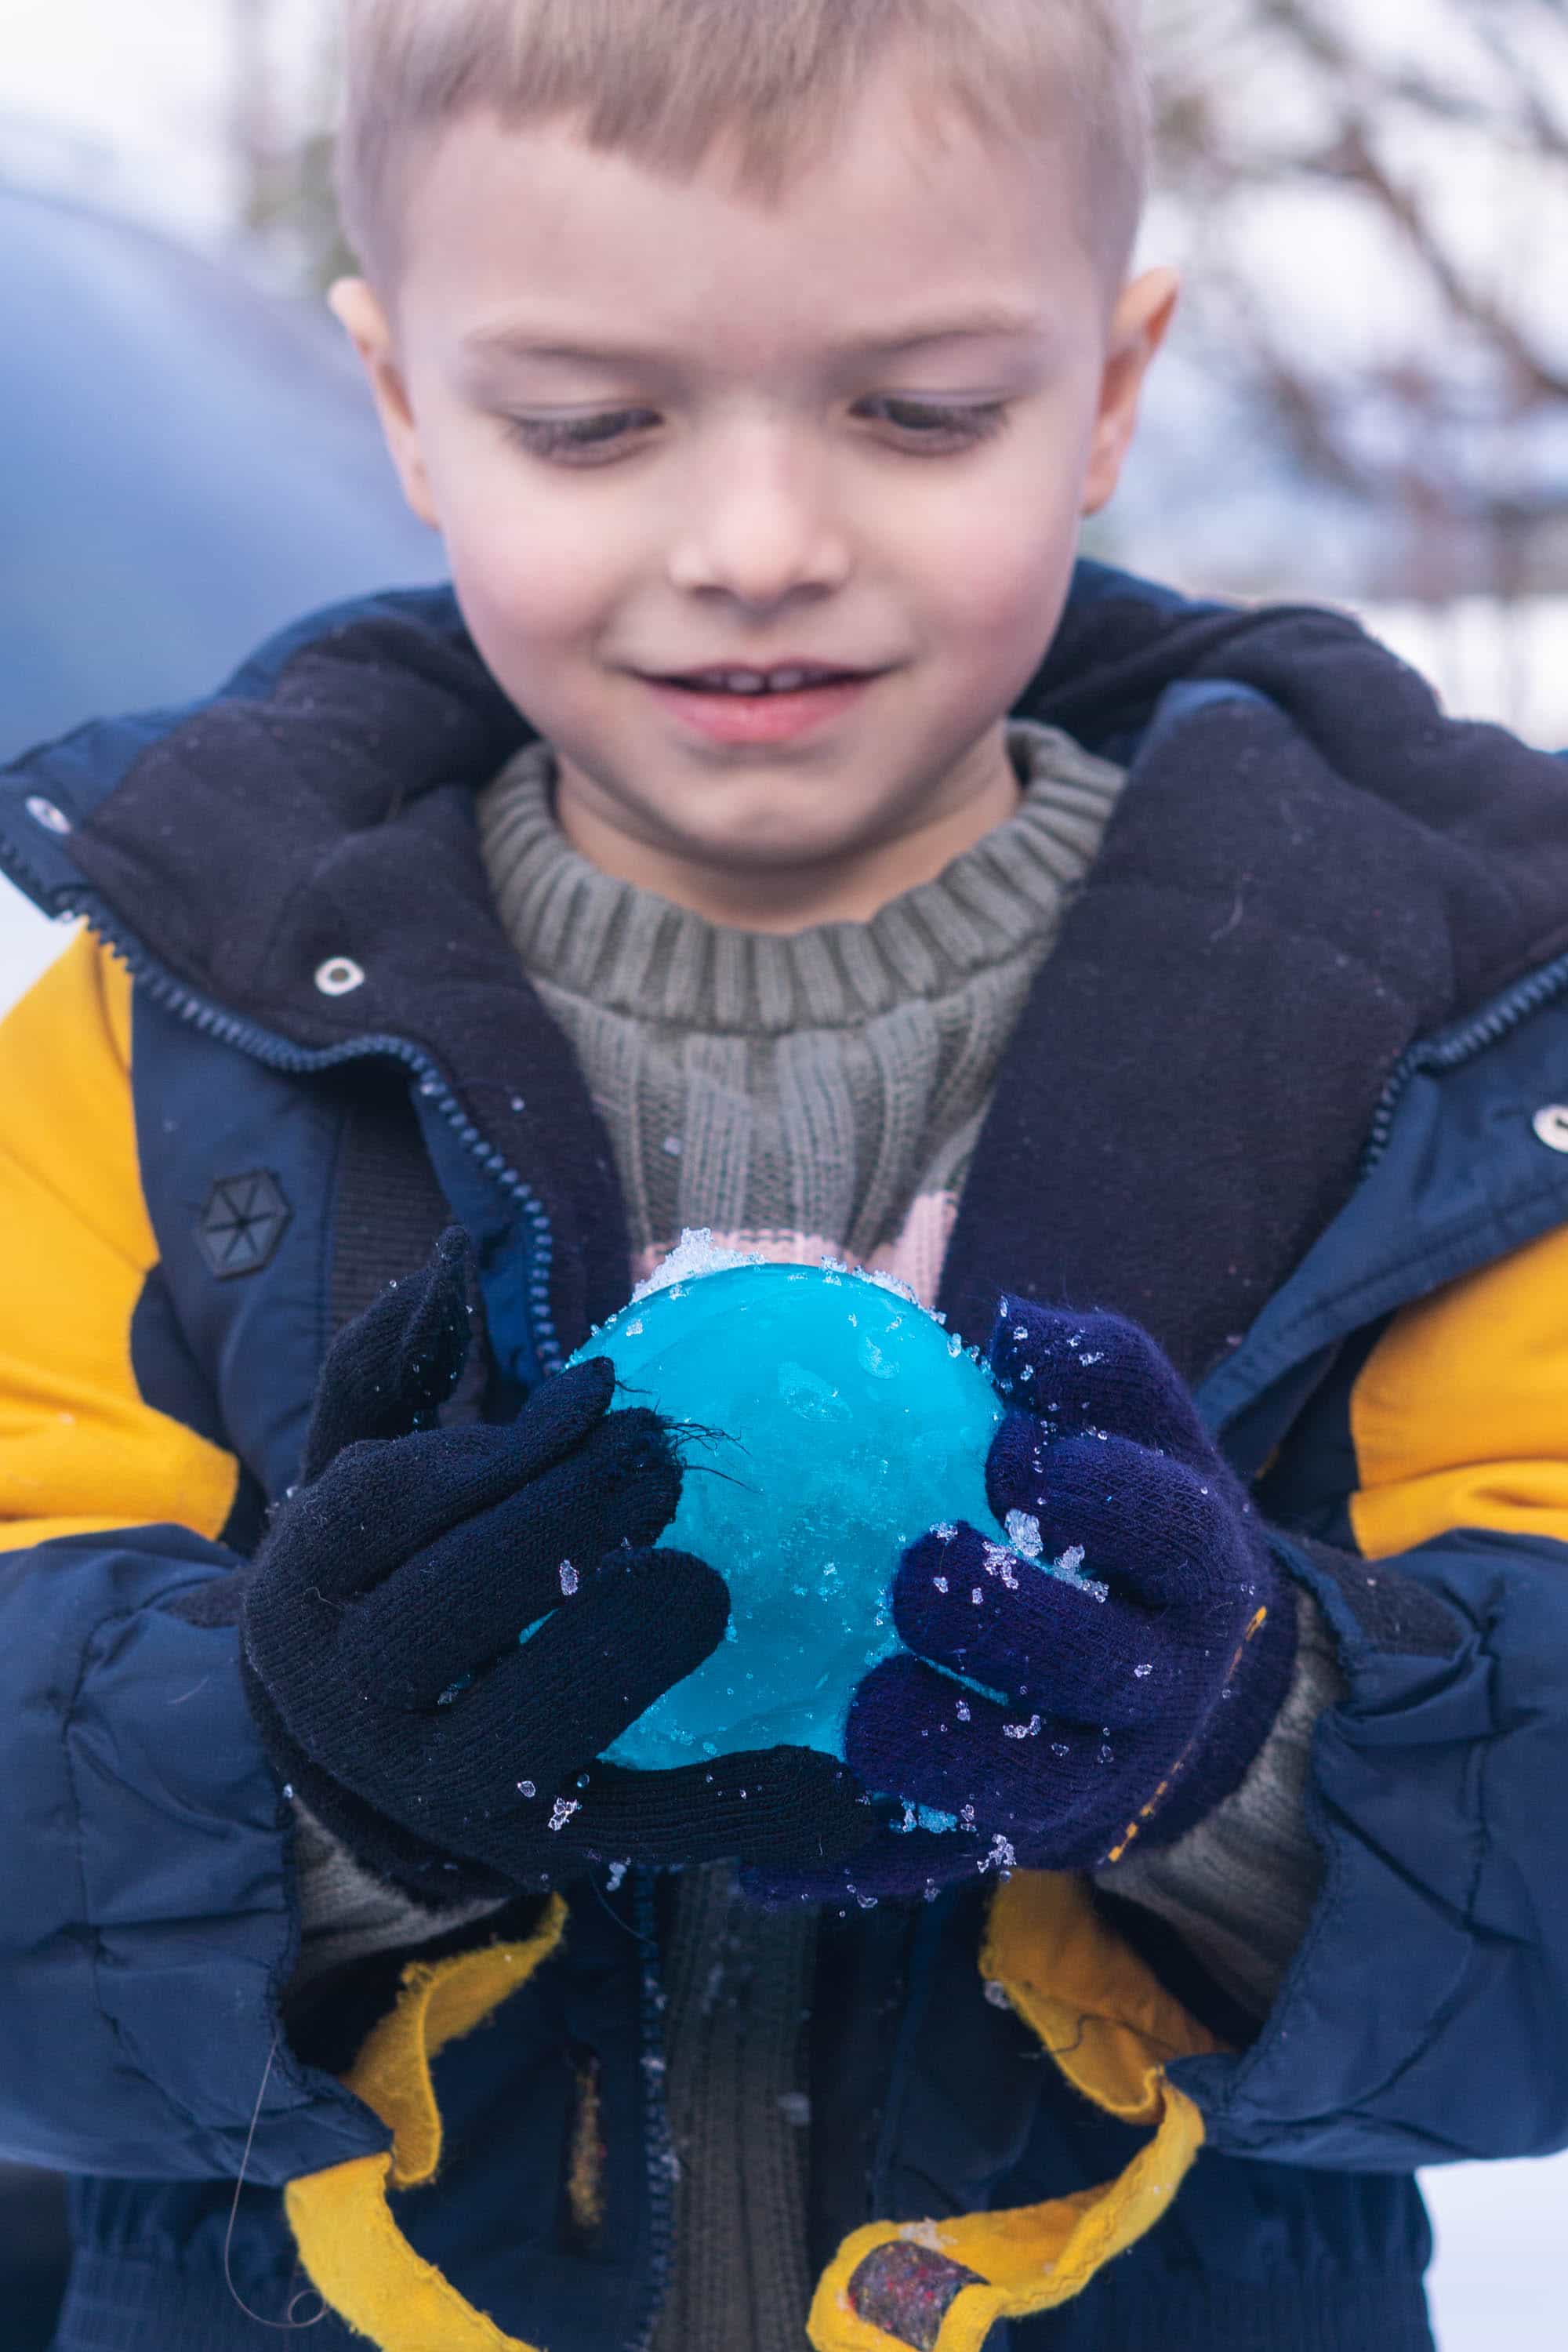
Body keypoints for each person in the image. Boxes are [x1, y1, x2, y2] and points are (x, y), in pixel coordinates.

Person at [2, 2, 1566, 2347]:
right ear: (407, 405)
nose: (758, 544)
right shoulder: (156, 1044)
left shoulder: (1421, 1054)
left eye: (920, 410)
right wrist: (312, 1786)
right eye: (592, 421)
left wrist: (1253, 1753)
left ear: (1116, 386)